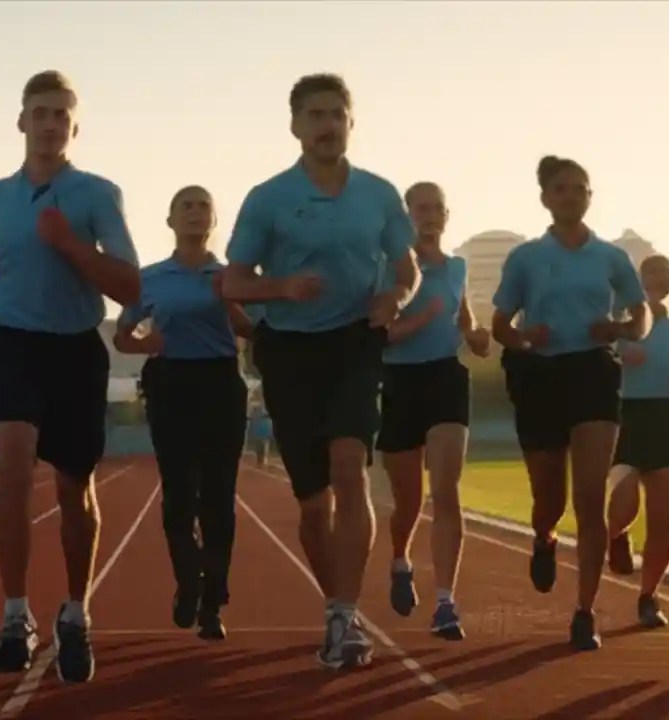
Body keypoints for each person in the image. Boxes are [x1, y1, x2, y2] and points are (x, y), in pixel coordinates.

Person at [221, 72, 420, 670]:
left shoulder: (381, 195)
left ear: (351, 123)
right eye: (315, 115)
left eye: (337, 114)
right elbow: (232, 282)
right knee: (314, 504)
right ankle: (334, 601)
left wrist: (394, 300)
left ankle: (345, 615)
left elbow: (406, 269)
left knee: (350, 468)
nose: (327, 125)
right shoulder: (268, 198)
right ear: (295, 126)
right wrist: (282, 287)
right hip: (288, 351)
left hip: (355, 345)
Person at [0, 70, 140, 682]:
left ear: (74, 126)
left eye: (61, 114)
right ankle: (15, 614)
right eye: (39, 112)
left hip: (74, 350)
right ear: (21, 121)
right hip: (12, 343)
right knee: (12, 462)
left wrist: (71, 247)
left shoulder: (97, 194)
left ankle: (75, 612)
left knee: (74, 489)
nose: (49, 123)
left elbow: (128, 283)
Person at [491, 155, 650, 651]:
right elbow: (499, 325)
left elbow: (640, 316)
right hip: (539, 374)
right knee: (549, 499)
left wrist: (622, 329)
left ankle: (585, 612)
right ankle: (543, 537)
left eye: (580, 188)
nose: (571, 196)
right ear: (545, 198)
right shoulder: (524, 258)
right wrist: (522, 338)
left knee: (588, 497)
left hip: (592, 372)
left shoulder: (610, 257)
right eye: (561, 189)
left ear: (589, 197)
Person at [113, 185, 252, 642]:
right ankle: (187, 581)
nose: (195, 213)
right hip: (170, 384)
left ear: (214, 221)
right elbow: (123, 335)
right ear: (170, 221)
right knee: (178, 495)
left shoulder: (231, 275)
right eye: (185, 207)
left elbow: (256, 331)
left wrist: (231, 303)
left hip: (219, 384)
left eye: (203, 207)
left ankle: (213, 601)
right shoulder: (151, 277)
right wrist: (142, 344)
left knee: (218, 497)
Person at [378, 181, 491, 641]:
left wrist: (478, 337)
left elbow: (465, 319)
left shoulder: (458, 267)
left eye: (436, 208)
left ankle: (446, 601)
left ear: (447, 216)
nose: (429, 215)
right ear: (407, 216)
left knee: (445, 490)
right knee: (409, 499)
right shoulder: (389, 269)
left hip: (446, 377)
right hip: (400, 381)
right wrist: (420, 320)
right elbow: (378, 333)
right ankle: (400, 559)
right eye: (420, 208)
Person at [605, 254, 669, 629]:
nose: (659, 278)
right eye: (651, 272)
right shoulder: (620, 322)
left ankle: (649, 596)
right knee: (625, 498)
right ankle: (617, 534)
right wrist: (621, 358)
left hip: (664, 417)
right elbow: (601, 357)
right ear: (637, 279)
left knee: (662, 517)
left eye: (666, 273)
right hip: (623, 415)